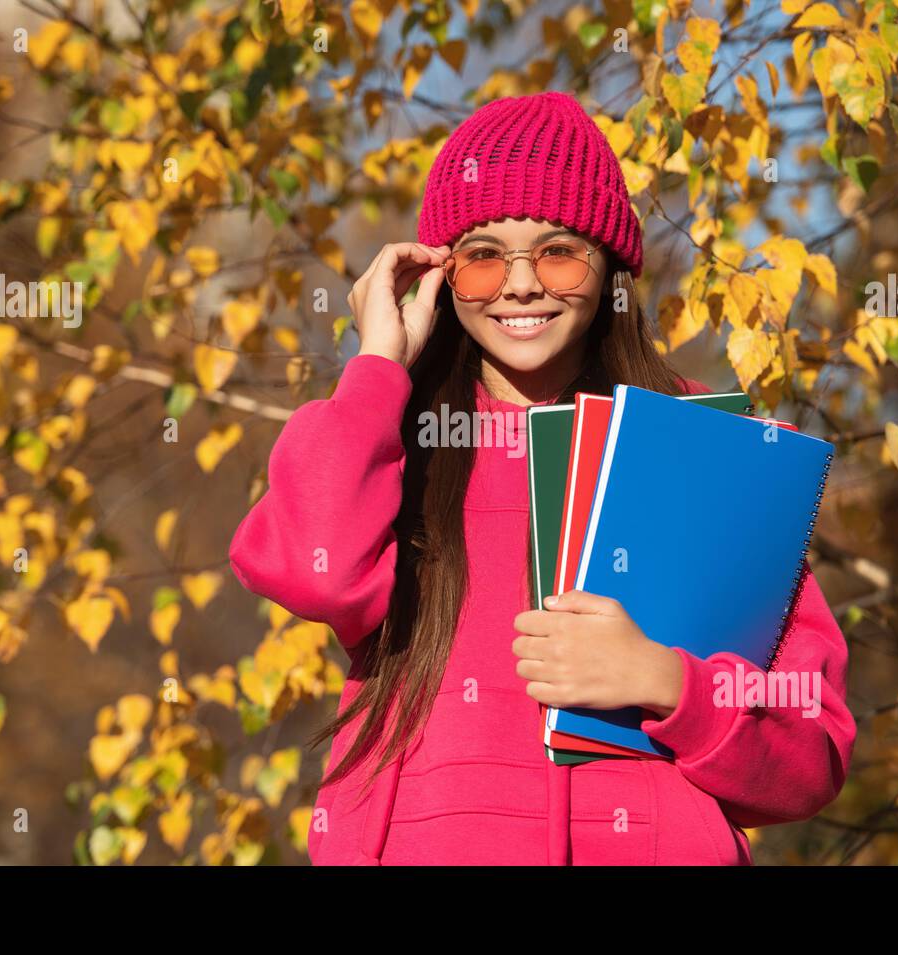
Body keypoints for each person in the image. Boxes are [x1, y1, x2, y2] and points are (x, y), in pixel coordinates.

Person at [229, 90, 855, 864]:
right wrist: (375, 367)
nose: (520, 284)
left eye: (558, 251)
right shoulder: (392, 441)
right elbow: (312, 573)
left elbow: (809, 753)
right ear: (438, 275)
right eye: (482, 256)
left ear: (611, 269)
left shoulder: (705, 453)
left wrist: (667, 682)